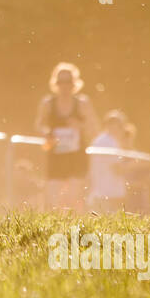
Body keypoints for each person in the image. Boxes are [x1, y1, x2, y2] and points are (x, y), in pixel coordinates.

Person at [35, 62, 98, 212]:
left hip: (76, 155)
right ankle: (55, 228)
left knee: (74, 195)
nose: (64, 86)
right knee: (53, 196)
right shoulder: (47, 104)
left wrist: (80, 126)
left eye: (68, 81)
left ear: (74, 83)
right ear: (55, 83)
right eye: (61, 82)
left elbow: (95, 128)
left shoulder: (82, 103)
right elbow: (38, 125)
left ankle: (76, 228)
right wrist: (46, 133)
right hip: (55, 154)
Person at [88, 110, 135, 211]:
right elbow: (118, 169)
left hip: (106, 191)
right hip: (108, 192)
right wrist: (133, 164)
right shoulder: (107, 142)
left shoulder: (104, 140)